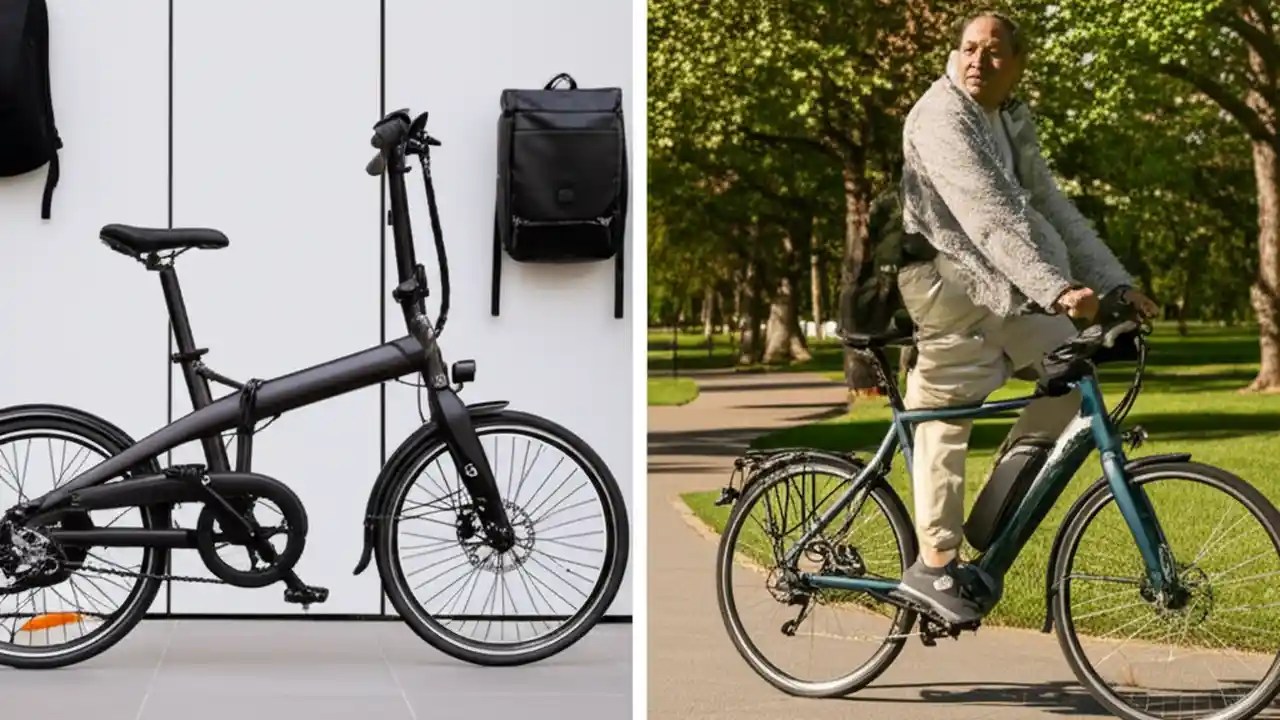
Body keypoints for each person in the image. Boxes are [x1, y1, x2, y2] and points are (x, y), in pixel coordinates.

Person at [894, 11, 1158, 625]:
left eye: (992, 52)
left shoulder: (1007, 117)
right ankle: (933, 564)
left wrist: (1114, 282)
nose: (977, 60)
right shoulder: (940, 116)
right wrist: (1058, 287)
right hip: (944, 284)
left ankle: (990, 519)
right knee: (941, 403)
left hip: (1001, 288)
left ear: (1017, 65)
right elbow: (987, 218)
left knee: (1070, 372)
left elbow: (1049, 206)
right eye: (967, 48)